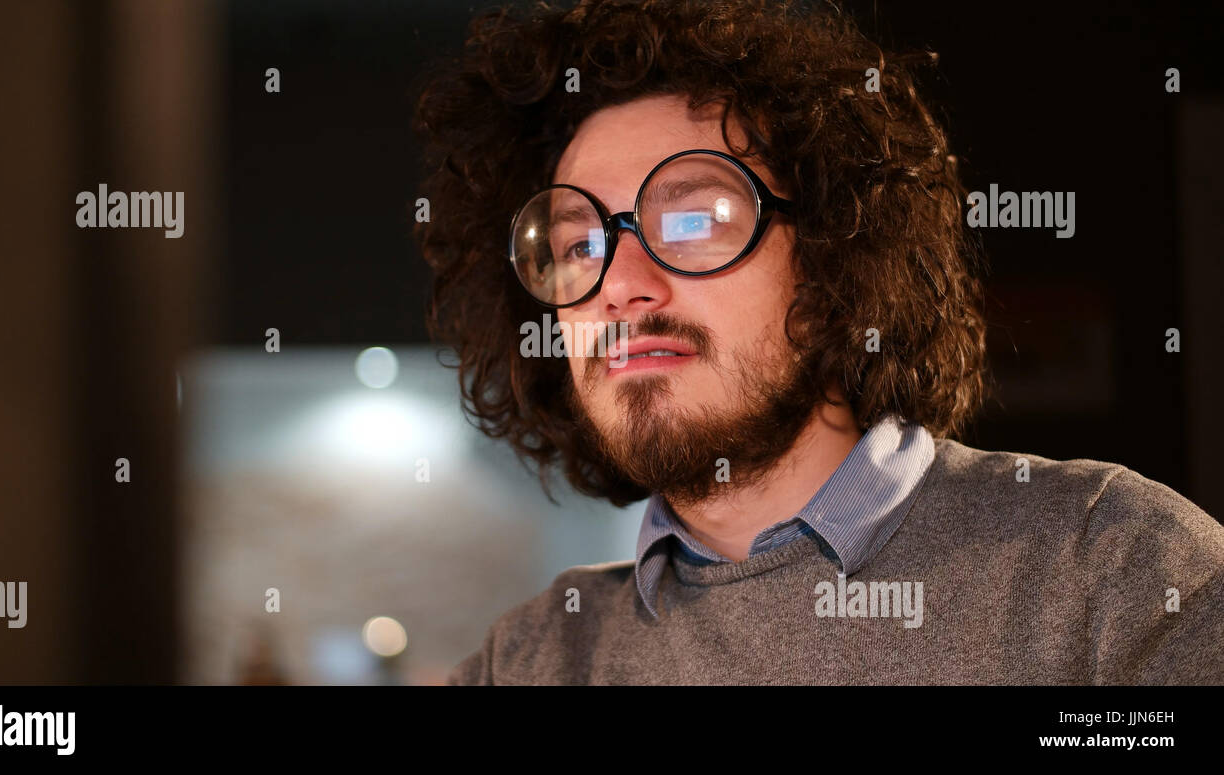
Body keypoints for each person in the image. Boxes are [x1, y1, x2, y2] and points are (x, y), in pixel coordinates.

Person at [414, 0, 1224, 684]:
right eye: (579, 245)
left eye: (693, 220)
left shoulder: (1116, 574)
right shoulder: (530, 660)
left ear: (837, 252)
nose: (621, 283)